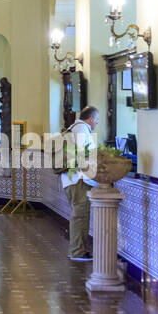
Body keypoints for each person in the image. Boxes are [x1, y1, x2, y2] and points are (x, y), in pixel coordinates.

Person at [61, 105, 99, 261]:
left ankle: (79, 249)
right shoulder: (82, 129)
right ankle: (77, 251)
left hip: (71, 179)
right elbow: (85, 155)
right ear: (91, 119)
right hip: (79, 179)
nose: (96, 124)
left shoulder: (74, 127)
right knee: (80, 215)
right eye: (96, 120)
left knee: (80, 215)